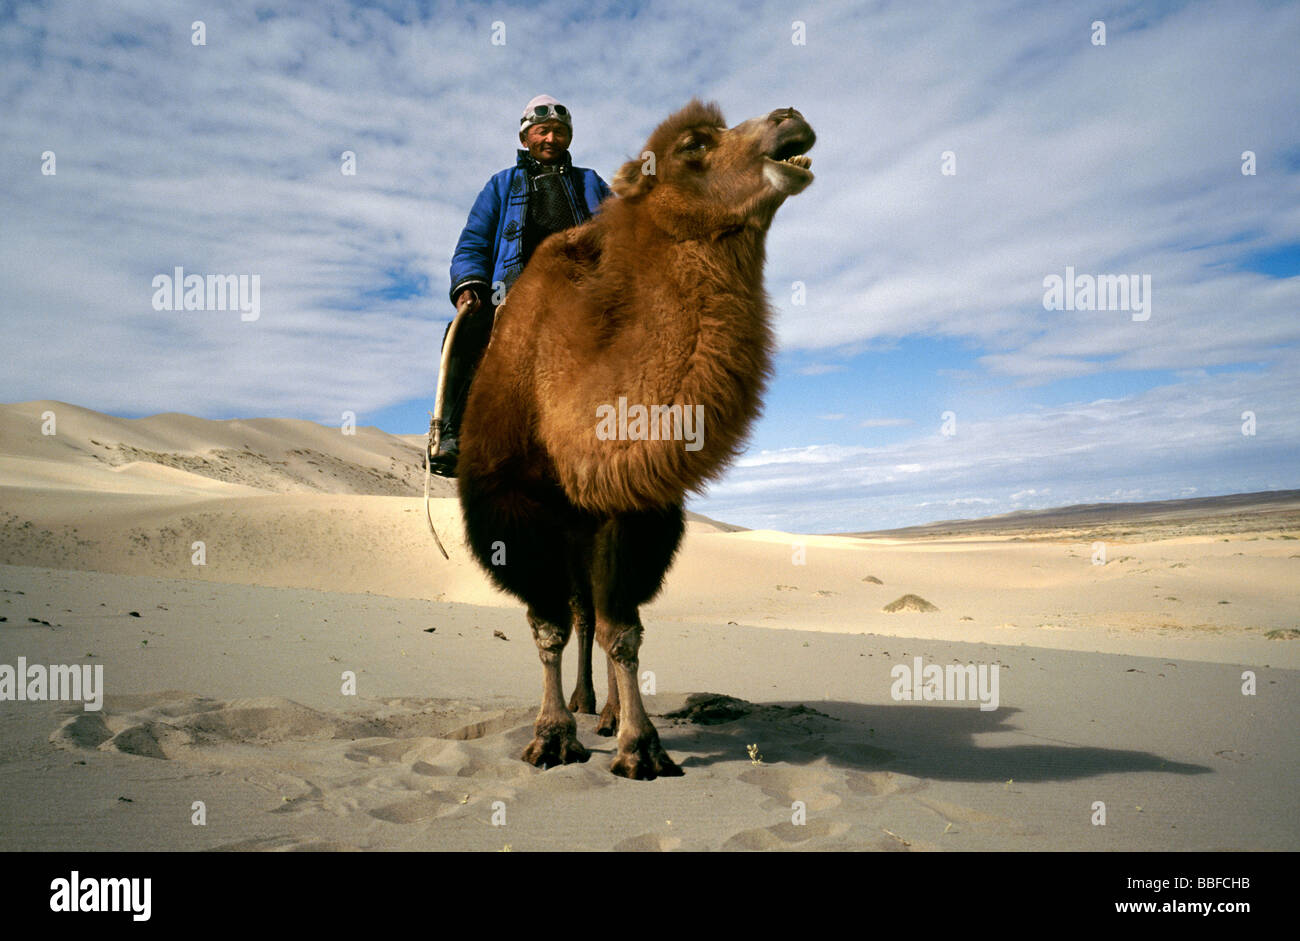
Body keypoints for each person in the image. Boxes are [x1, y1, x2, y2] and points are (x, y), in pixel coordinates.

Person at [431, 95, 612, 476]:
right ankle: (451, 437)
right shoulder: (501, 185)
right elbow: (473, 242)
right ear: (526, 136)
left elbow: (622, 228)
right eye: (542, 131)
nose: (551, 138)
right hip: (511, 293)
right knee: (466, 332)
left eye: (560, 132)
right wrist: (469, 285)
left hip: (581, 290)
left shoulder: (590, 182)